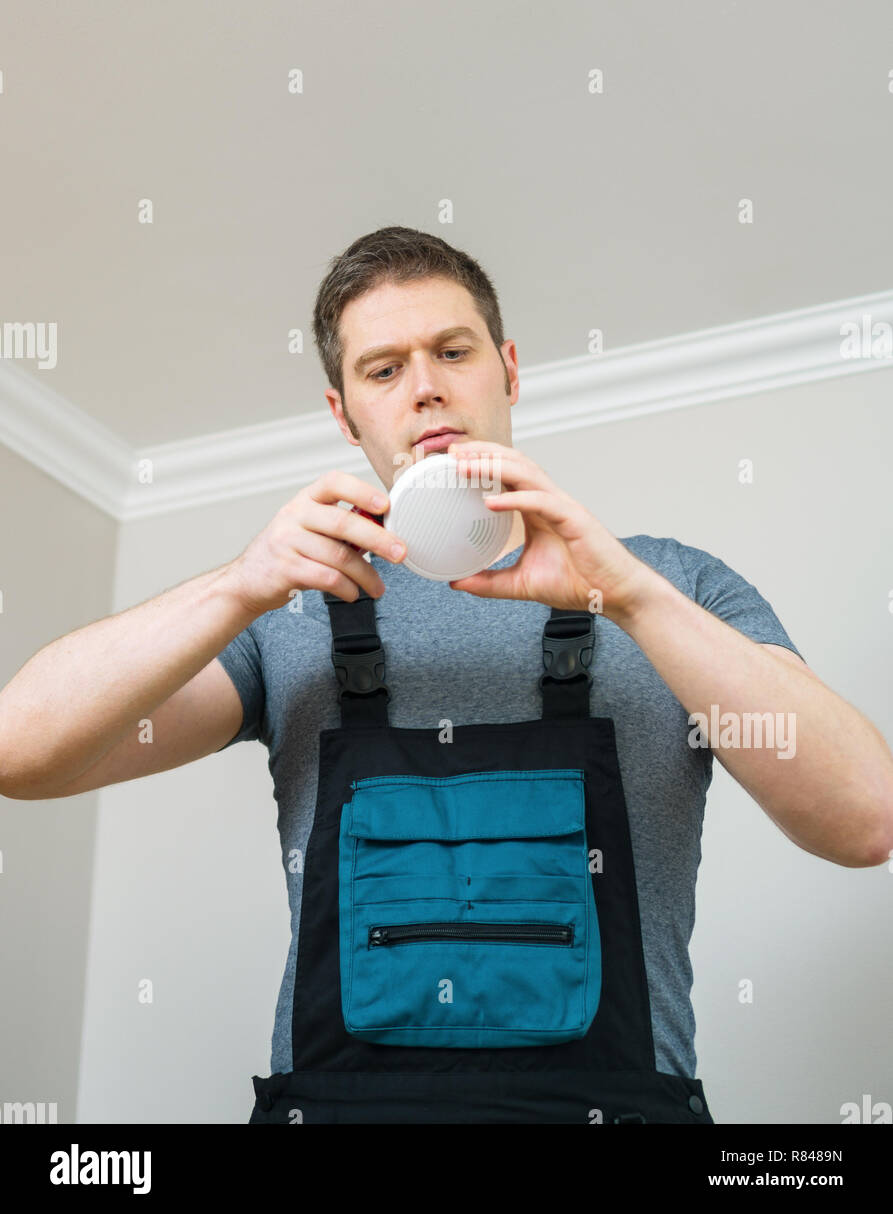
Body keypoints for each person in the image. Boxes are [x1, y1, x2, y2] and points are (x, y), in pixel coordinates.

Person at [2, 226, 891, 1126]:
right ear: (343, 415)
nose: (424, 386)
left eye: (452, 352)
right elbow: (18, 752)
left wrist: (629, 596)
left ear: (507, 369)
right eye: (382, 370)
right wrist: (239, 586)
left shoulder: (672, 588)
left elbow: (866, 817)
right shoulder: (290, 613)